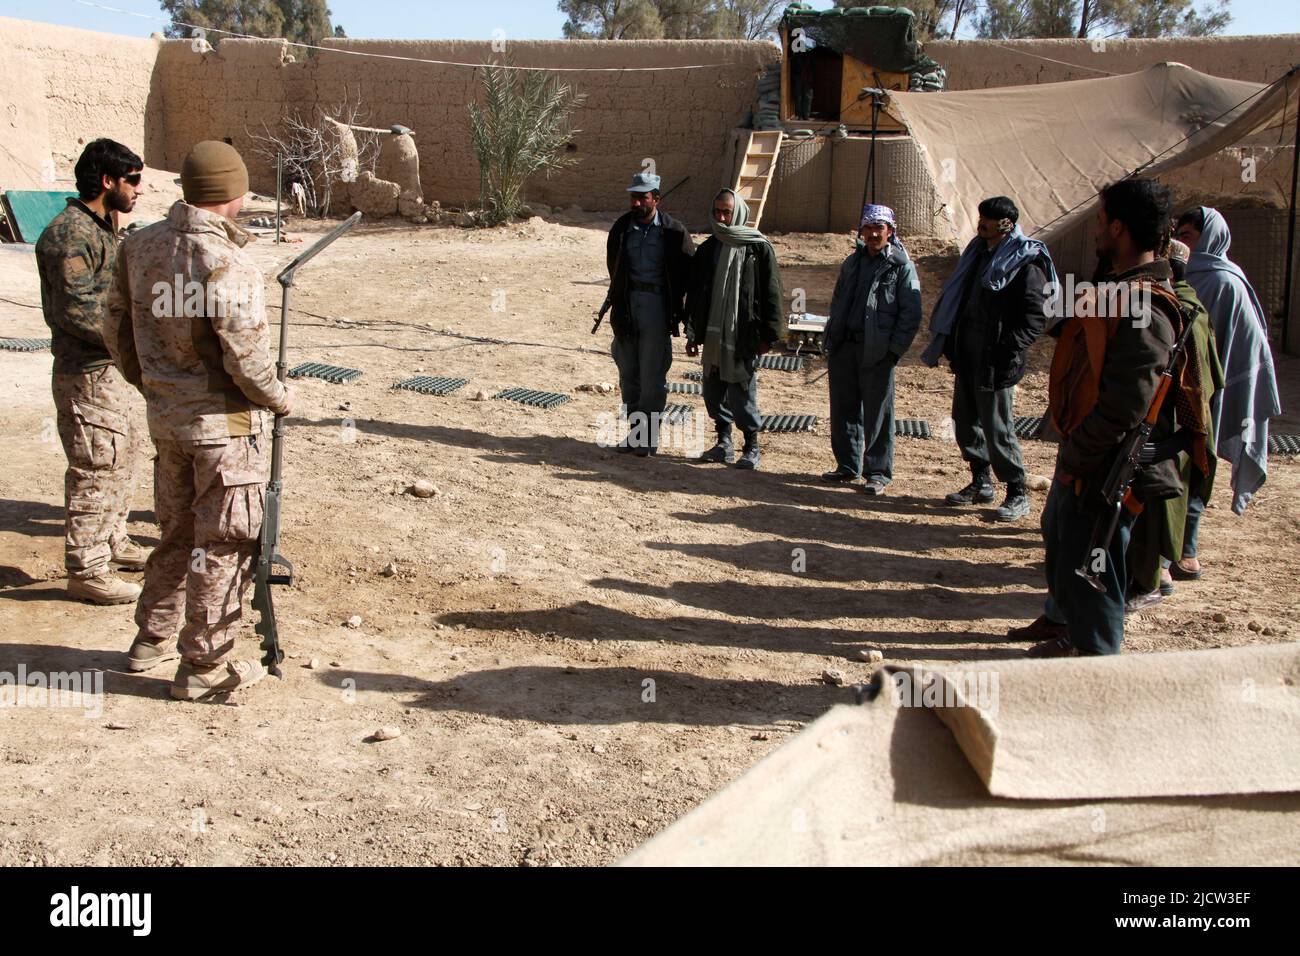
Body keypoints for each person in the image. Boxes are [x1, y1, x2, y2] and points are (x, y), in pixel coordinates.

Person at [105, 140, 291, 701]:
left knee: (177, 533)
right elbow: (246, 358)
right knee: (224, 544)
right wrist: (280, 399)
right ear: (234, 192)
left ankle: (149, 640)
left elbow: (115, 330)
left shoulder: (138, 247)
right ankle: (204, 666)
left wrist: (155, 387)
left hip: (168, 422)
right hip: (225, 432)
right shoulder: (227, 261)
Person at [1028, 179, 1183, 658]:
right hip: (1085, 455)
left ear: (1118, 227)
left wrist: (1081, 451)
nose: (1095, 229)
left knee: (1096, 575)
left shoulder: (1145, 304)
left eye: (1099, 220)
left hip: (1105, 464)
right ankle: (1072, 638)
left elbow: (1128, 401)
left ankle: (1097, 672)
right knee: (1066, 552)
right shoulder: (1116, 289)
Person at [35, 139, 151, 605]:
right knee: (94, 467)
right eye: (134, 180)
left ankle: (111, 540)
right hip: (86, 372)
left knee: (124, 455)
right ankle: (86, 568)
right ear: (108, 181)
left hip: (110, 369)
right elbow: (77, 313)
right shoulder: (68, 235)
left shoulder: (101, 227)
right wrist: (137, 340)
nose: (140, 190)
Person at [922, 196, 1054, 521]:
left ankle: (1016, 491)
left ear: (1006, 224)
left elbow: (1036, 316)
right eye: (981, 217)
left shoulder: (1026, 262)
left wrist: (1007, 347)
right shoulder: (977, 255)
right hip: (968, 356)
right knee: (965, 423)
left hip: (996, 361)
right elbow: (961, 300)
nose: (981, 223)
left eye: (988, 219)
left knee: (998, 429)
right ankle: (980, 481)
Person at [1174, 206, 1281, 578]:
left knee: (1196, 465)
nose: (1180, 243)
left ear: (1211, 238)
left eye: (1188, 236)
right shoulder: (1179, 275)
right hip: (1176, 389)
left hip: (1205, 394)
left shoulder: (1224, 282)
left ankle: (1184, 552)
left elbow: (1246, 347)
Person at [1125, 238, 1221, 613]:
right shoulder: (1172, 304)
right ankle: (1156, 572)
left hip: (1174, 429)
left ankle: (1154, 577)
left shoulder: (1183, 310)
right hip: (1163, 426)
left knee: (1164, 508)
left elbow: (1200, 383)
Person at [819, 205, 922, 495]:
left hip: (877, 351)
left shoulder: (902, 266)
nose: (874, 233)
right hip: (844, 347)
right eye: (869, 227)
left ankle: (877, 472)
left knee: (878, 414)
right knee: (843, 409)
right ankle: (847, 465)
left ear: (890, 231)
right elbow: (838, 301)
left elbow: (911, 315)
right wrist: (831, 339)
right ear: (861, 231)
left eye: (880, 228)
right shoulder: (851, 263)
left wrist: (894, 351)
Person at [684, 188, 783, 470]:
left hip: (744, 335)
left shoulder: (757, 248)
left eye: (726, 212)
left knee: (742, 390)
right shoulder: (708, 248)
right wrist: (693, 333)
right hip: (714, 335)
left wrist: (769, 336)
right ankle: (723, 443)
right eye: (717, 212)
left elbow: (772, 293)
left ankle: (751, 446)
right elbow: (697, 294)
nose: (721, 217)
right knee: (713, 390)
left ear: (738, 212)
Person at [604, 171, 695, 456]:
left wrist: (684, 314)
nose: (636, 202)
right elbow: (614, 267)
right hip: (627, 306)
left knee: (652, 377)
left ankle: (648, 437)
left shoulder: (673, 231)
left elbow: (688, 273)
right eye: (633, 196)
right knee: (628, 373)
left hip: (657, 308)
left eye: (642, 197)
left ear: (656, 198)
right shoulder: (621, 229)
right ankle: (636, 433)